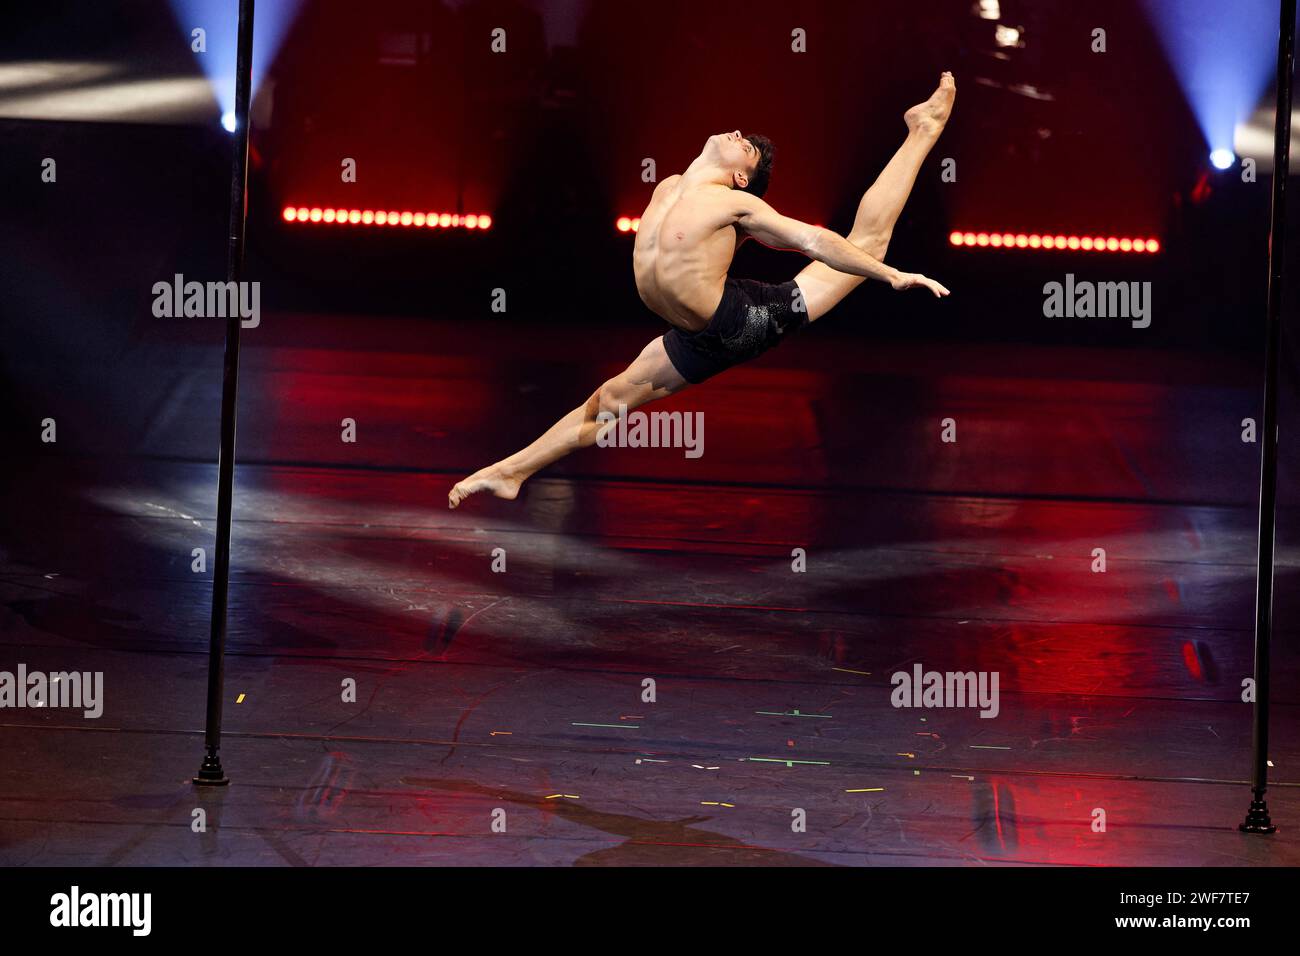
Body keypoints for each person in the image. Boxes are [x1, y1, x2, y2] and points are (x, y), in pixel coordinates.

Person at [449, 73, 956, 508]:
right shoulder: (667, 188)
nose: (739, 133)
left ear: (740, 175)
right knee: (605, 404)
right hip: (692, 336)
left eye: (749, 148)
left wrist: (887, 274)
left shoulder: (736, 204)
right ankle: (512, 472)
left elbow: (814, 240)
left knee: (867, 242)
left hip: (743, 319)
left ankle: (922, 131)